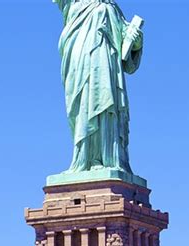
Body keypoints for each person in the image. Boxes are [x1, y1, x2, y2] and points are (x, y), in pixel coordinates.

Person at [53, 0, 144, 174]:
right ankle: (84, 159)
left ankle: (110, 159)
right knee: (83, 109)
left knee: (106, 104)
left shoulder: (111, 7)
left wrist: (136, 42)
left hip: (106, 64)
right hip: (81, 61)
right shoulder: (74, 4)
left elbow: (127, 46)